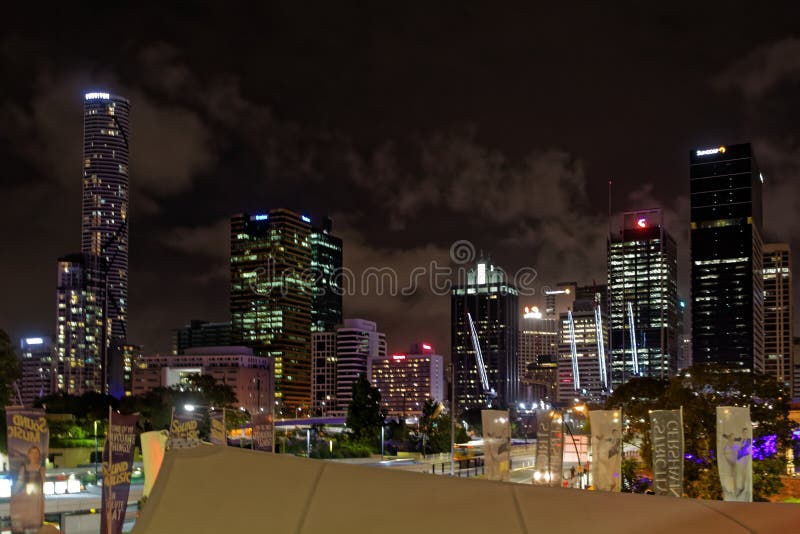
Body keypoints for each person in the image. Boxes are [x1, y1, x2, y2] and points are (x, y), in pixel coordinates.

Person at [11, 445, 45, 533]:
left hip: (36, 500)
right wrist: (13, 493)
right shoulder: (23, 468)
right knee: (25, 524)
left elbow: (43, 485)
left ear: (39, 455)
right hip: (25, 499)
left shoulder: (41, 469)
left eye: (36, 453)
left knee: (35, 525)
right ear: (28, 455)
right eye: (32, 453)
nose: (34, 455)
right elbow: (19, 483)